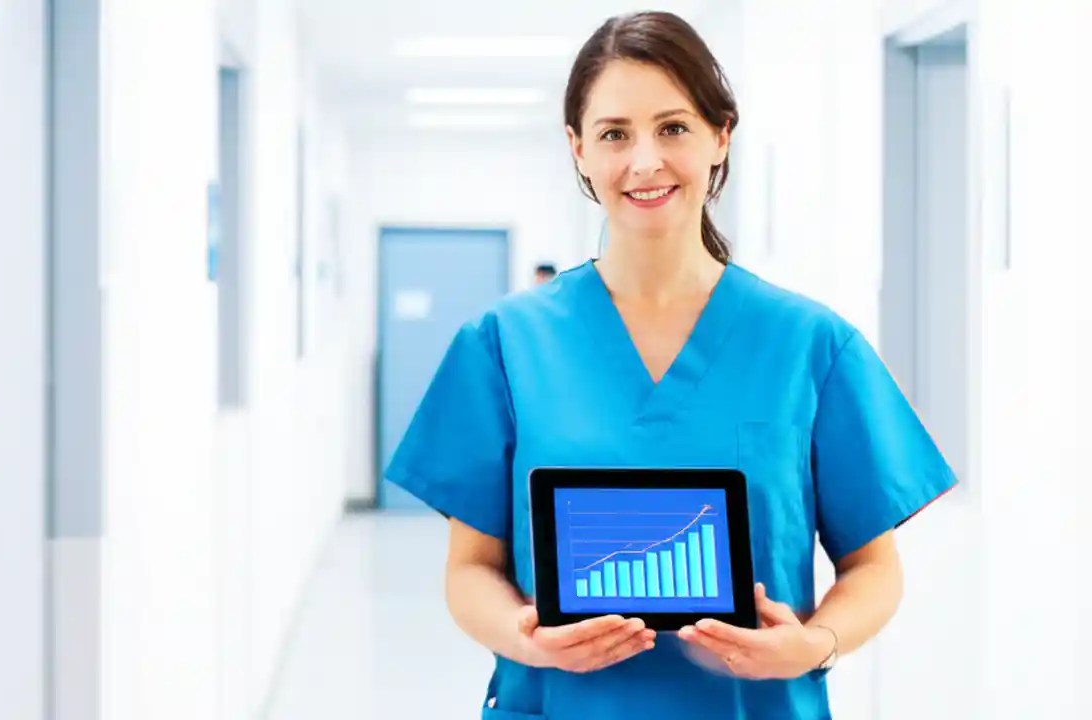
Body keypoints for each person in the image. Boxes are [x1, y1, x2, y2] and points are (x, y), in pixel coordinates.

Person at [384, 10, 957, 720]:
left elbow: (873, 568)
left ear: (721, 136)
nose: (645, 160)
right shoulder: (504, 345)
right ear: (578, 149)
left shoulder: (809, 344)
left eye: (674, 127)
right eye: (614, 134)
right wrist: (525, 640)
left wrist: (816, 644)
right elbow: (471, 570)